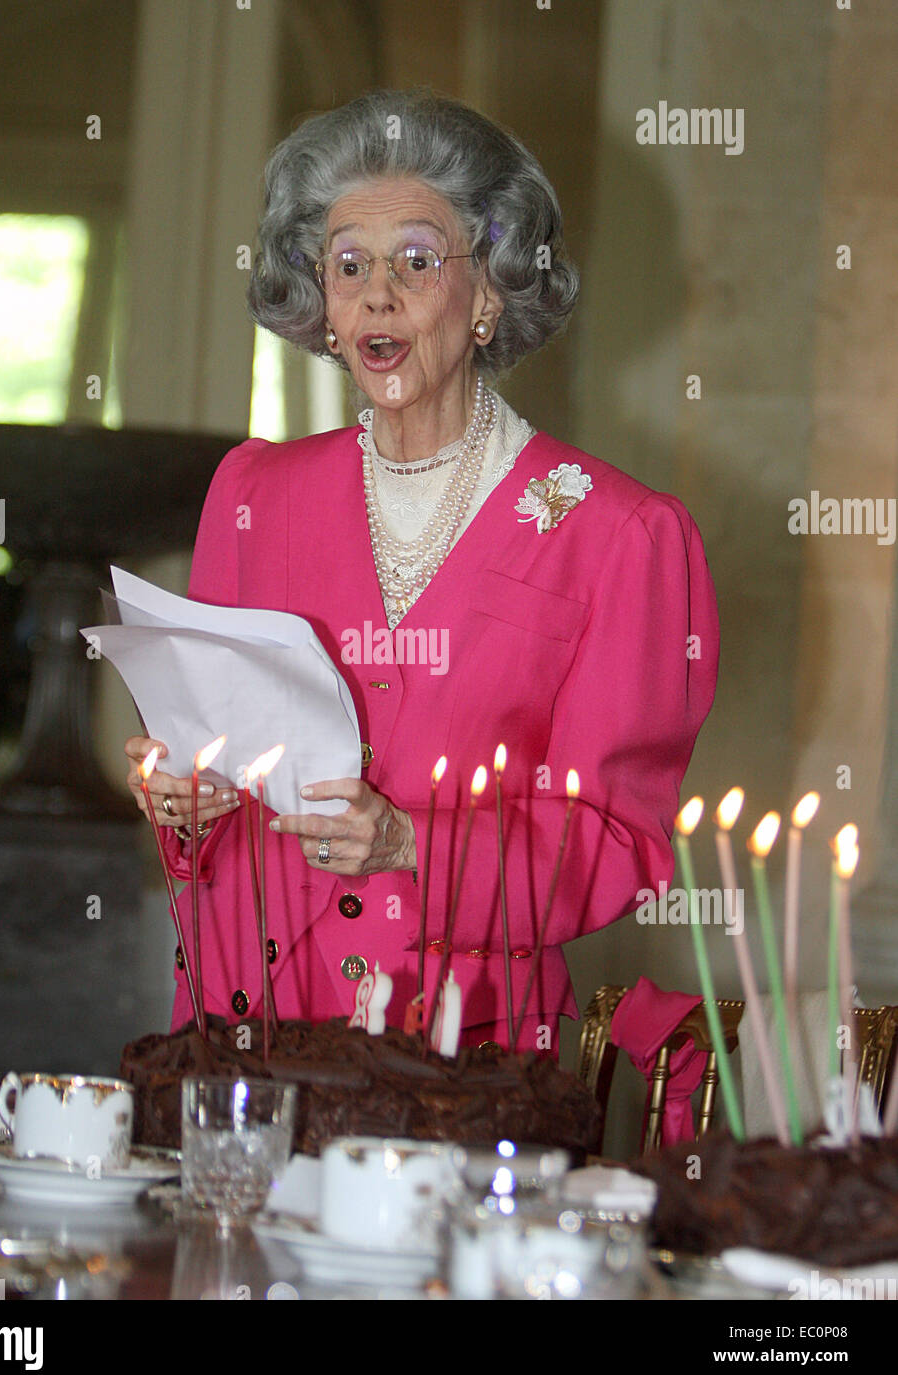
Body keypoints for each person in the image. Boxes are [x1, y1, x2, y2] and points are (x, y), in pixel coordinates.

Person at [125, 89, 719, 1051]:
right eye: (349, 265)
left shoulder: (620, 534)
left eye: (416, 259)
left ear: (489, 291)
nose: (377, 295)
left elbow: (623, 842)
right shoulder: (253, 493)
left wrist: (411, 845)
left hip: (461, 1061)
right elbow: (212, 759)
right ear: (320, 302)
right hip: (246, 1034)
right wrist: (184, 797)